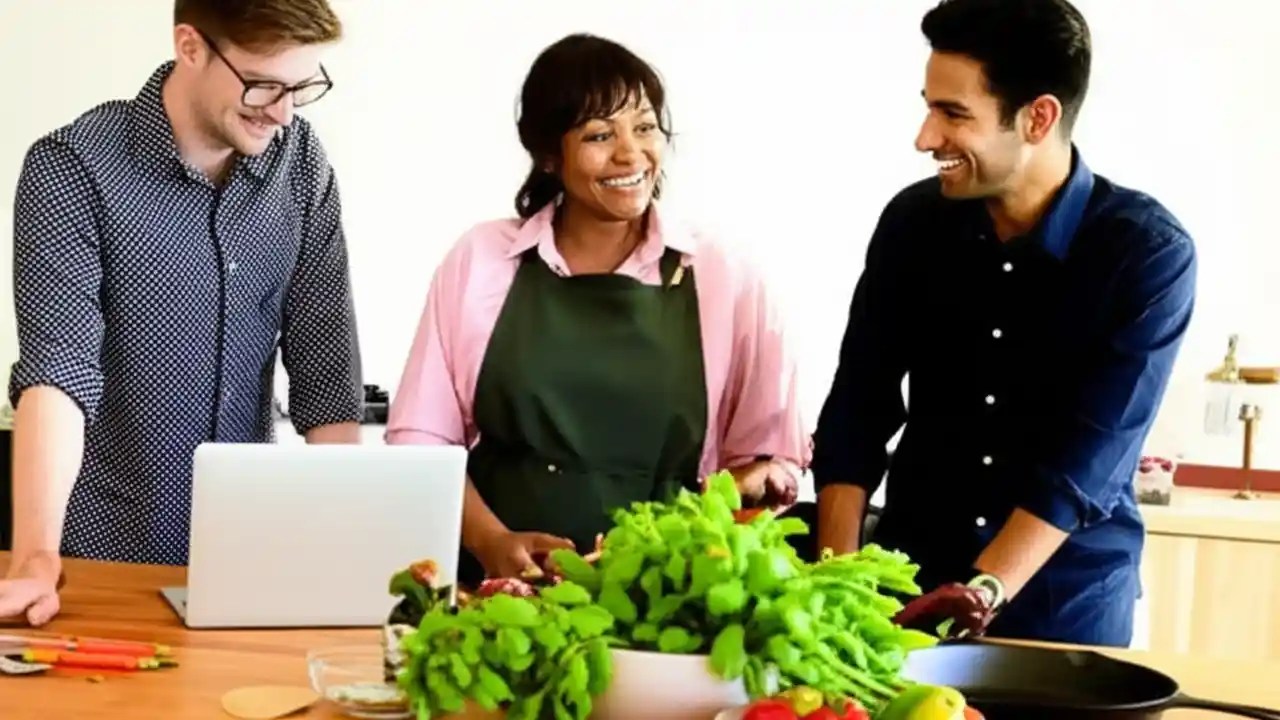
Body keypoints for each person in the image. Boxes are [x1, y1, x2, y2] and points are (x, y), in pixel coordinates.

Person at [810, 0, 1196, 648]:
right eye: (929, 105)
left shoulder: (1145, 252)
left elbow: (1089, 462)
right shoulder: (912, 225)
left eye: (953, 113)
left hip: (1061, 607)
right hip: (904, 588)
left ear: (1038, 117)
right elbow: (858, 407)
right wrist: (834, 581)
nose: (925, 136)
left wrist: (981, 592)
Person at [386, 33, 810, 587]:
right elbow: (422, 444)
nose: (630, 154)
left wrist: (754, 485)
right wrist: (492, 542)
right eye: (599, 134)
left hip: (666, 599)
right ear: (547, 155)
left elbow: (767, 455)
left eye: (645, 127)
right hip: (496, 593)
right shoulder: (483, 259)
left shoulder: (725, 273)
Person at [0, 0, 364, 626]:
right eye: (263, 85)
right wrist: (35, 556)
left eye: (301, 89)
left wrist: (350, 552)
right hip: (105, 559)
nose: (282, 114)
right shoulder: (73, 167)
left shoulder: (300, 164)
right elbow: (59, 373)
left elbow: (325, 367)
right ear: (190, 46)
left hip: (245, 564)